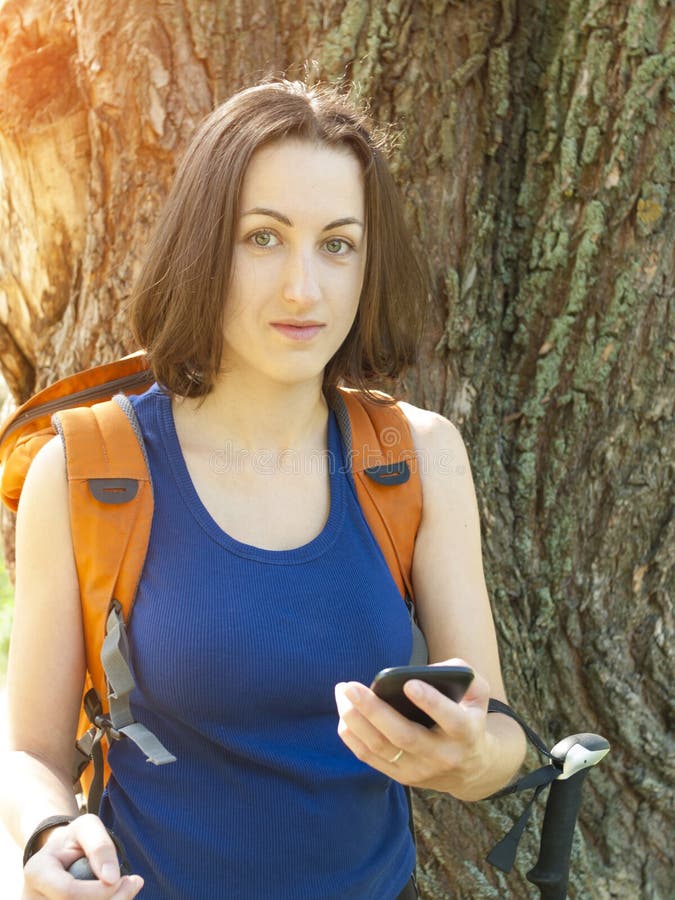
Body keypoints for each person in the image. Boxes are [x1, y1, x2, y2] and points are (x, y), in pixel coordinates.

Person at [2, 78, 526, 899]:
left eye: (338, 244)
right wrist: (47, 835)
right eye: (263, 238)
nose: (302, 290)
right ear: (204, 245)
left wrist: (466, 759)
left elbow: (497, 739)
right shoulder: (85, 468)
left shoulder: (417, 457)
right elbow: (32, 750)